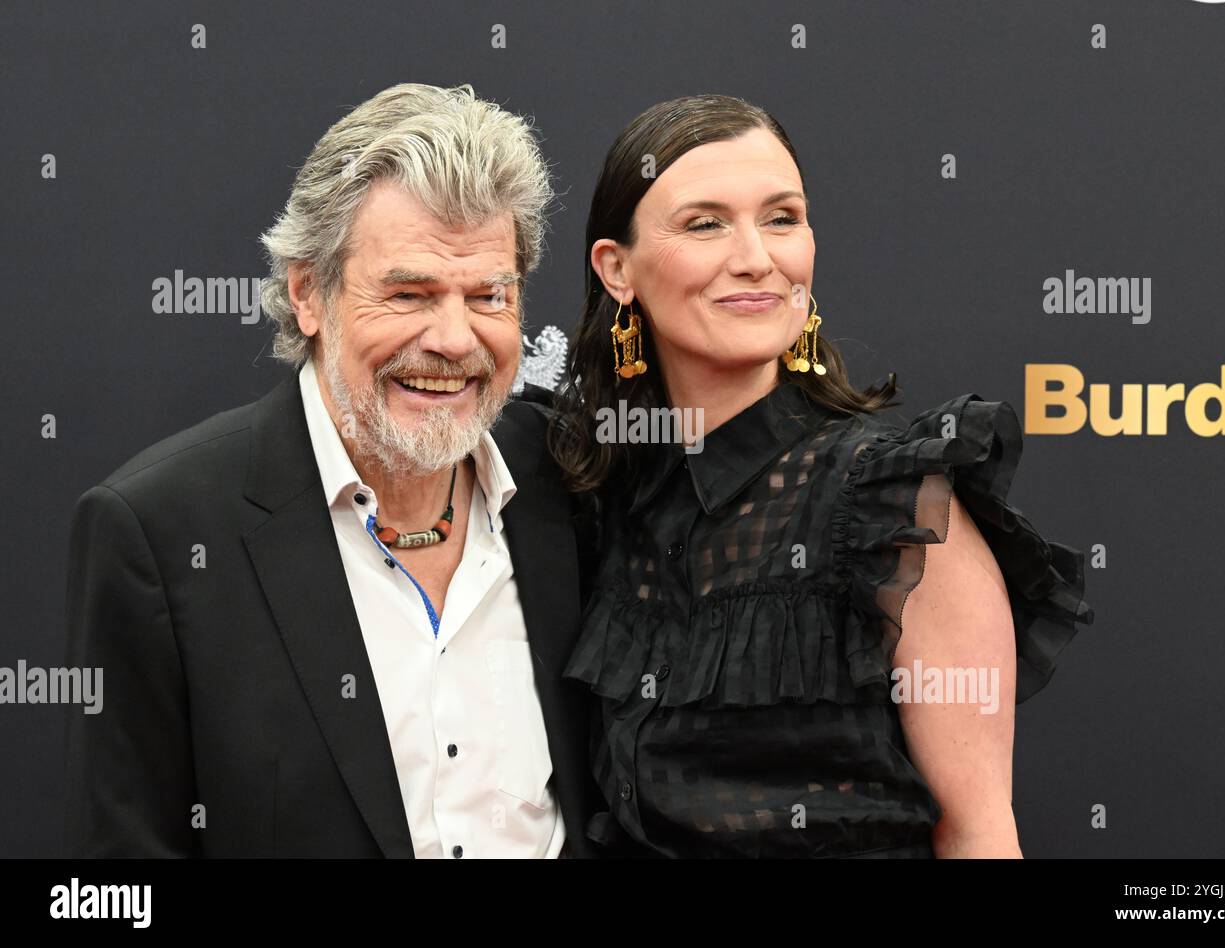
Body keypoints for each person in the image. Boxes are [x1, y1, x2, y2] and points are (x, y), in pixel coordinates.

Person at [548, 94, 1096, 858]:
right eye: (705, 223)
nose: (756, 257)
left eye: (782, 218)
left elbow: (977, 834)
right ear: (617, 269)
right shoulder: (598, 502)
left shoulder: (888, 497)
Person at [62, 83, 602, 858]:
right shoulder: (159, 534)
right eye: (409, 293)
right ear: (309, 293)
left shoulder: (570, 482)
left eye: (489, 294)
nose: (454, 339)